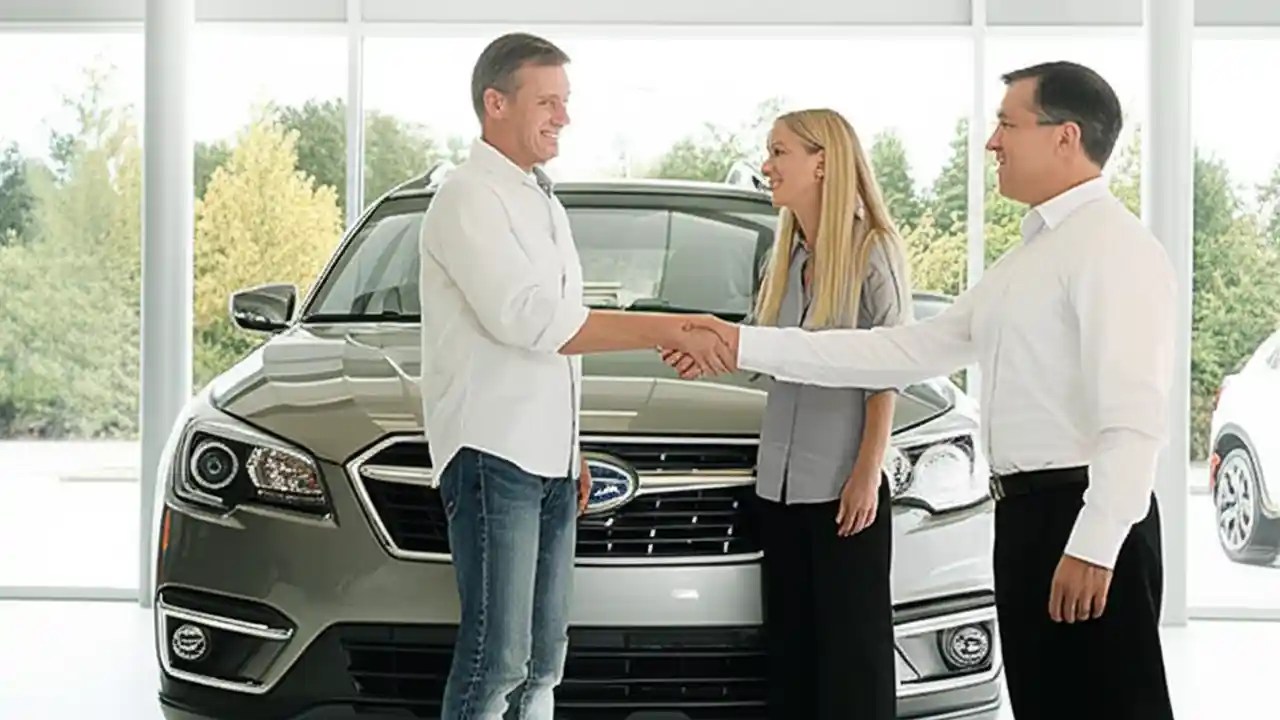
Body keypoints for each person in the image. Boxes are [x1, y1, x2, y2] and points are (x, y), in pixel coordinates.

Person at [669, 61, 1177, 719]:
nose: (992, 142)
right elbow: (902, 350)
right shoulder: (1030, 259)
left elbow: (1134, 420)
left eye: (1007, 124)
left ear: (1065, 137)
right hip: (1027, 517)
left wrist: (1095, 542)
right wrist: (740, 344)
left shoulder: (1114, 247)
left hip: (1080, 515)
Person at [417, 32, 732, 720]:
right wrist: (663, 329)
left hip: (549, 462)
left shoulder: (543, 202)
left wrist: (571, 445)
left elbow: (554, 345)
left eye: (565, 101)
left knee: (542, 663)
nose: (564, 116)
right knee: (497, 661)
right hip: (493, 454)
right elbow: (531, 320)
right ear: (496, 103)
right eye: (548, 101)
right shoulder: (468, 196)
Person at [667, 108, 910, 719]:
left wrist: (867, 471)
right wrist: (701, 355)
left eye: (779, 152)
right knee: (792, 659)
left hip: (841, 490)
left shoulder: (873, 251)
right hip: (776, 491)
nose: (768, 165)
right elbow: (760, 351)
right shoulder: (785, 258)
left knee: (853, 663)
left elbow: (889, 371)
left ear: (822, 163)